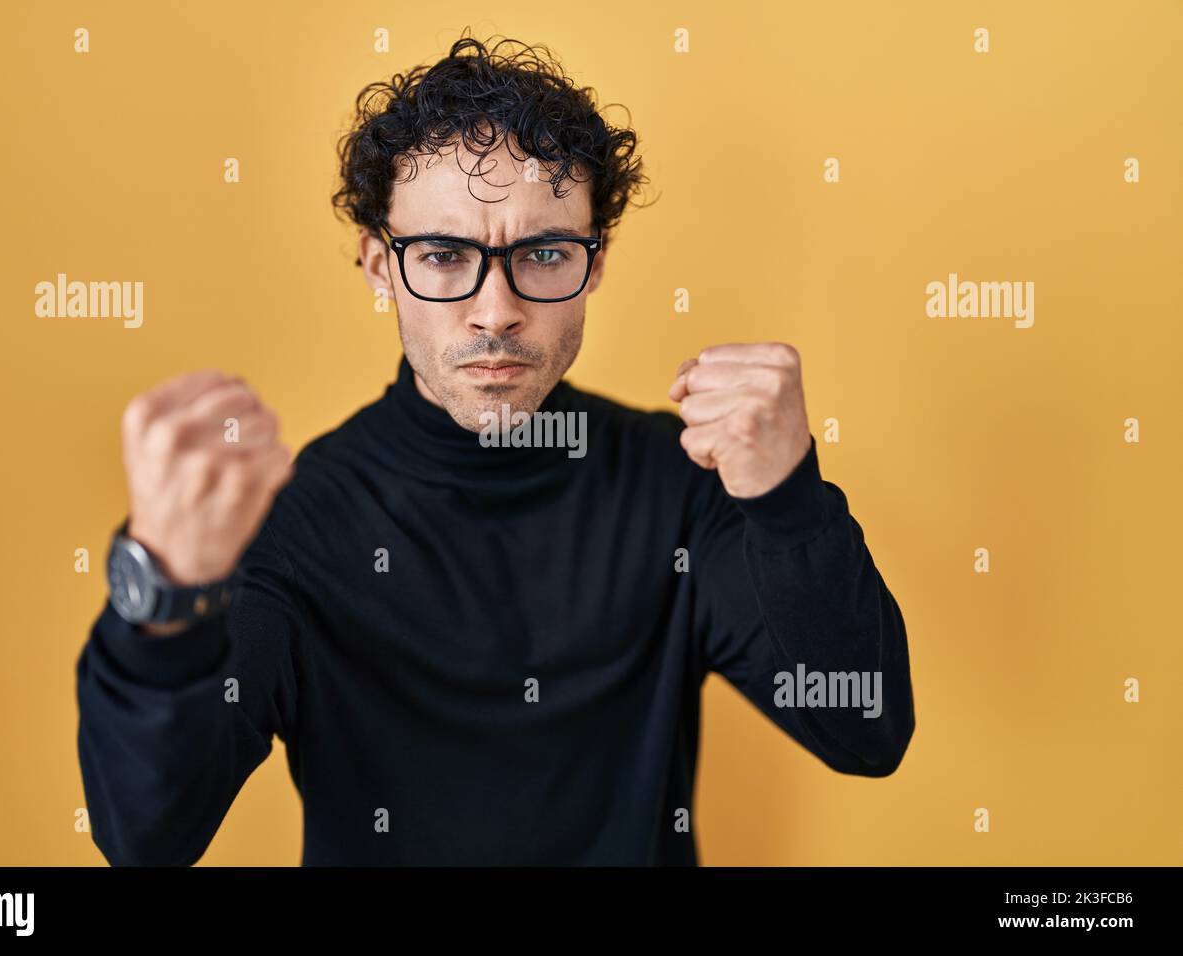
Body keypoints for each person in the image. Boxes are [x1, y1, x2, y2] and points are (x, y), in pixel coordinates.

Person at [76, 32, 914, 866]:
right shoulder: (296, 524)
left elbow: (866, 731)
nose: (495, 310)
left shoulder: (681, 484)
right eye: (444, 256)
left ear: (595, 263)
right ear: (379, 267)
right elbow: (149, 838)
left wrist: (788, 500)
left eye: (544, 254)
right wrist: (164, 601)